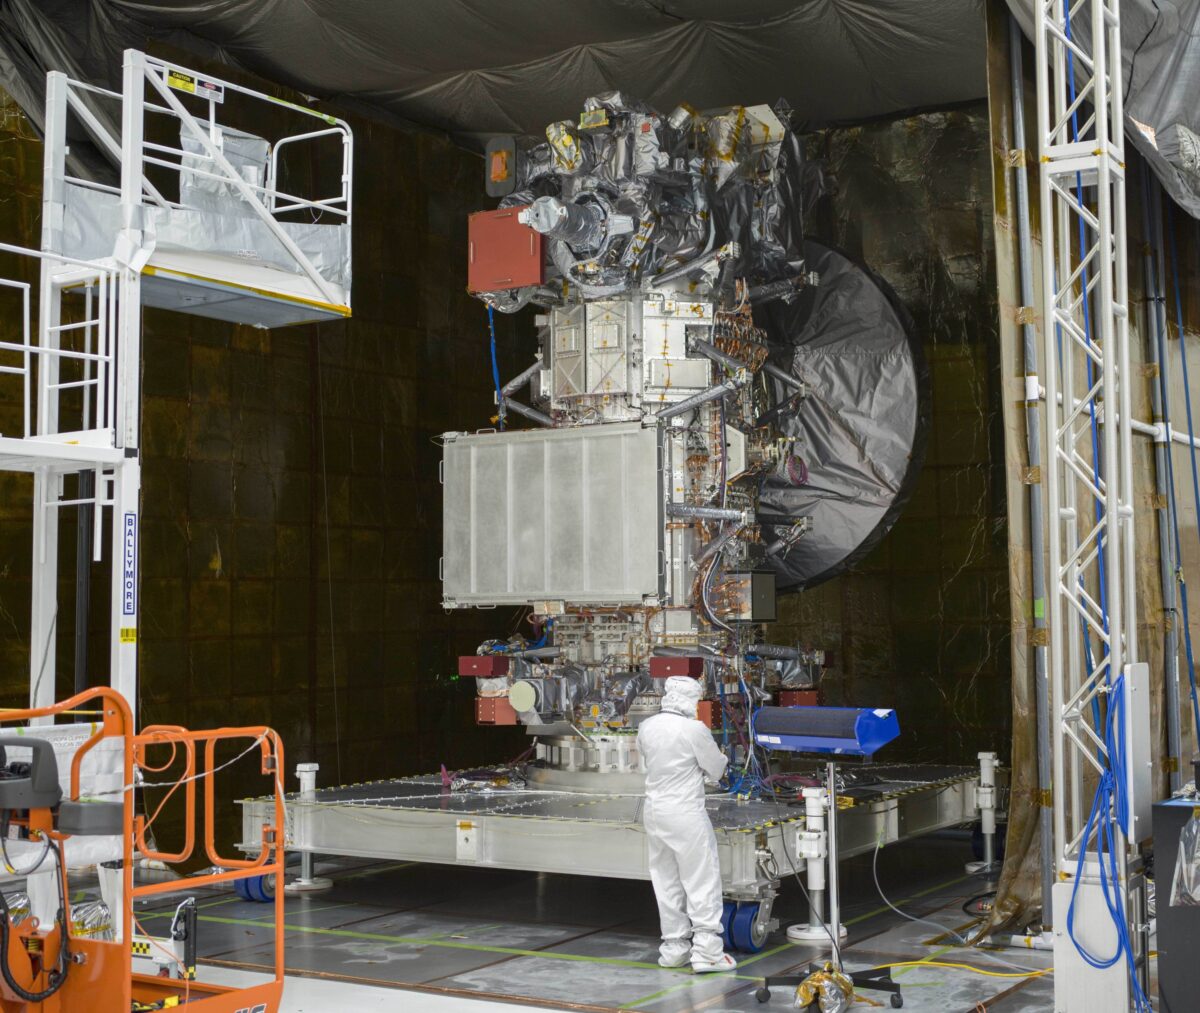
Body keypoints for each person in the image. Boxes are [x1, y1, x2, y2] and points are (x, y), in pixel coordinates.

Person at [636, 675, 736, 973]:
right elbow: (716, 769)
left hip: (655, 810)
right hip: (685, 813)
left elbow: (648, 760)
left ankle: (674, 948)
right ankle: (707, 952)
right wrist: (722, 760)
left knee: (666, 880)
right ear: (690, 699)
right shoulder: (694, 729)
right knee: (701, 878)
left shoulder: (647, 726)